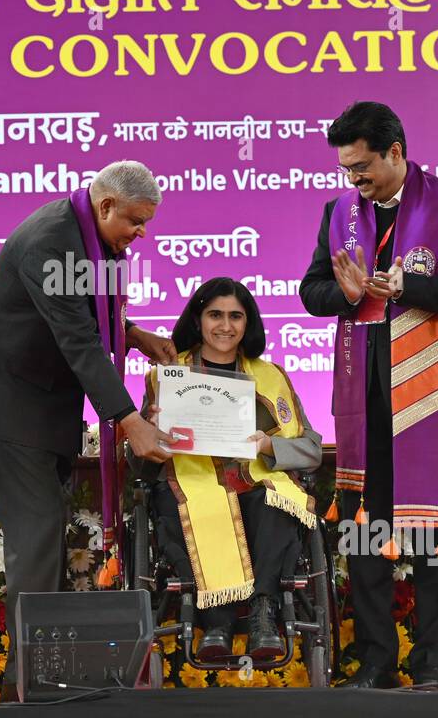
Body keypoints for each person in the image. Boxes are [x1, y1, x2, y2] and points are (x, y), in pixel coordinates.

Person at [0, 160, 177, 694]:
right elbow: (77, 338)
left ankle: (45, 674)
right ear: (105, 207)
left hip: (47, 408)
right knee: (36, 541)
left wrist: (132, 334)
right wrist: (130, 420)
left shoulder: (87, 234)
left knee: (46, 537)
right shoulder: (50, 242)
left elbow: (88, 314)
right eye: (135, 220)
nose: (141, 232)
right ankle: (25, 685)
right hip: (12, 409)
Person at [300, 101, 438, 688]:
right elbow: (311, 291)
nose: (353, 178)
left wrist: (413, 286)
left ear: (396, 152)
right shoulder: (338, 212)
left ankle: (429, 663)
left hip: (428, 392)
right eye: (346, 168)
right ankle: (376, 660)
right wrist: (347, 294)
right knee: (363, 528)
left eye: (362, 166)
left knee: (428, 529)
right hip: (363, 395)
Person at [130, 278, 322, 660]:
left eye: (236, 316)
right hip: (188, 479)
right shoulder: (168, 375)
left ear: (248, 323)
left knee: (273, 499)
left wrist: (269, 445)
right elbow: (139, 459)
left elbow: (312, 451)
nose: (225, 325)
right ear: (198, 320)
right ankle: (215, 622)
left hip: (255, 478)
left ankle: (264, 614)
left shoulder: (271, 377)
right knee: (201, 502)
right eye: (215, 314)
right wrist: (151, 431)